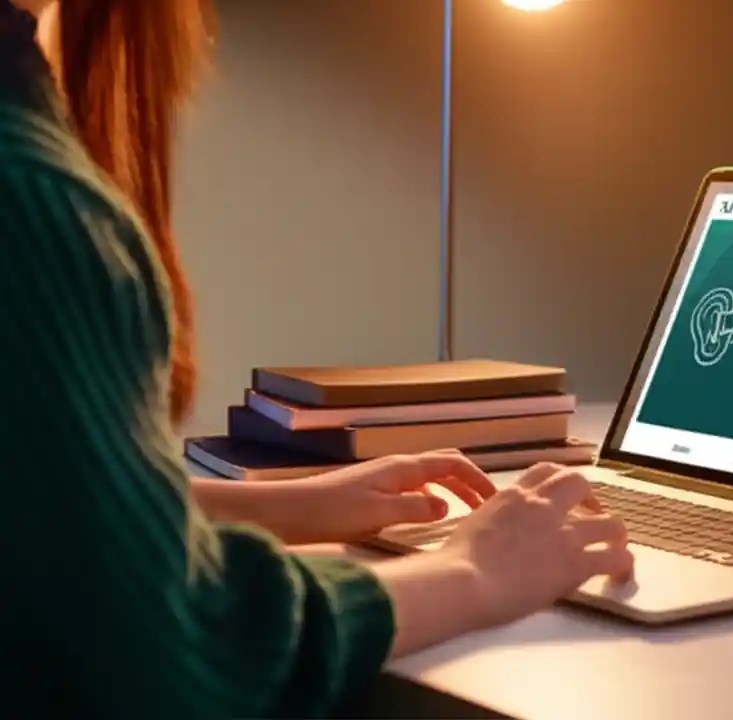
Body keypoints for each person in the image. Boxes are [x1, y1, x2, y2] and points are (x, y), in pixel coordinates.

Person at [0, 0, 634, 716]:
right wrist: (473, 573)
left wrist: (294, 504)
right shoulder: (30, 198)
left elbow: (45, 516)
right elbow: (173, 645)